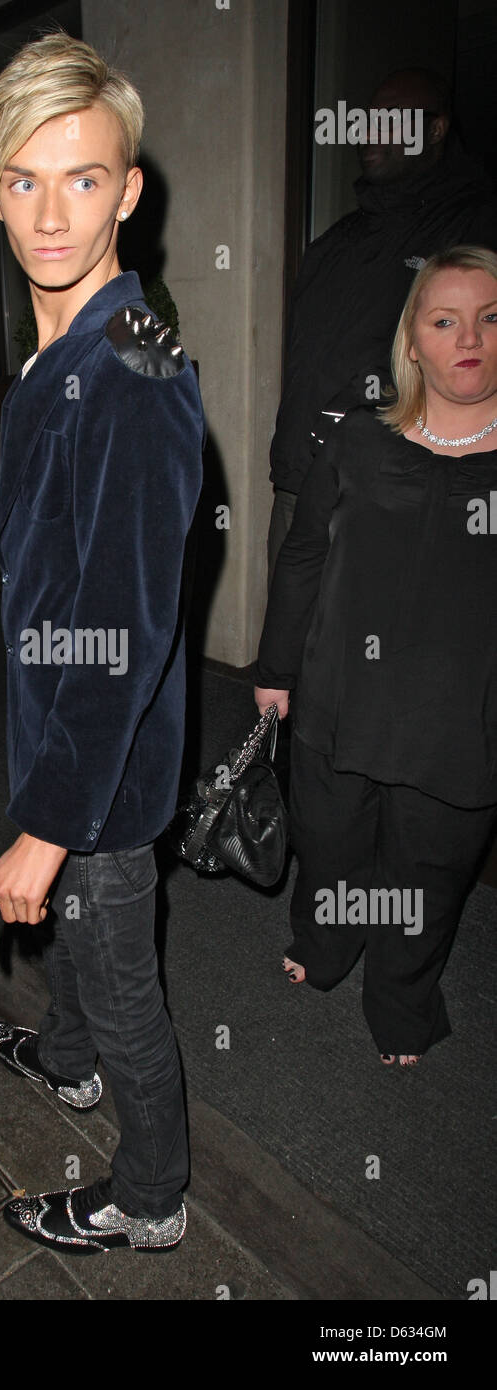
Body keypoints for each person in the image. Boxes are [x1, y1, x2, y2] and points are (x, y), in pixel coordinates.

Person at [0, 33, 204, 1252]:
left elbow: (125, 625)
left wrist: (52, 820)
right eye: (22, 177)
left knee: (125, 993)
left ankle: (151, 1197)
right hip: (58, 723)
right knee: (76, 954)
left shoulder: (132, 376)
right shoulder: (56, 352)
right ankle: (59, 1062)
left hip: (100, 776)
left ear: (128, 190)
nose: (49, 212)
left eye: (81, 178)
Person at [254, 246, 497, 1066]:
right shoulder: (356, 440)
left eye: (490, 318)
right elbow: (302, 559)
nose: (468, 337)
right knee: (326, 843)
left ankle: (400, 1001)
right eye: (444, 319)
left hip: (459, 724)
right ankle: (325, 944)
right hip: (338, 699)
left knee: (427, 878)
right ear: (413, 341)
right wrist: (274, 672)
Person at [268, 68, 497, 580]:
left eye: (391, 121)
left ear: (436, 130)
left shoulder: (474, 228)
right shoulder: (336, 242)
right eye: (366, 121)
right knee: (285, 640)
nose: (370, 133)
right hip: (300, 482)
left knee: (372, 651)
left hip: (393, 490)